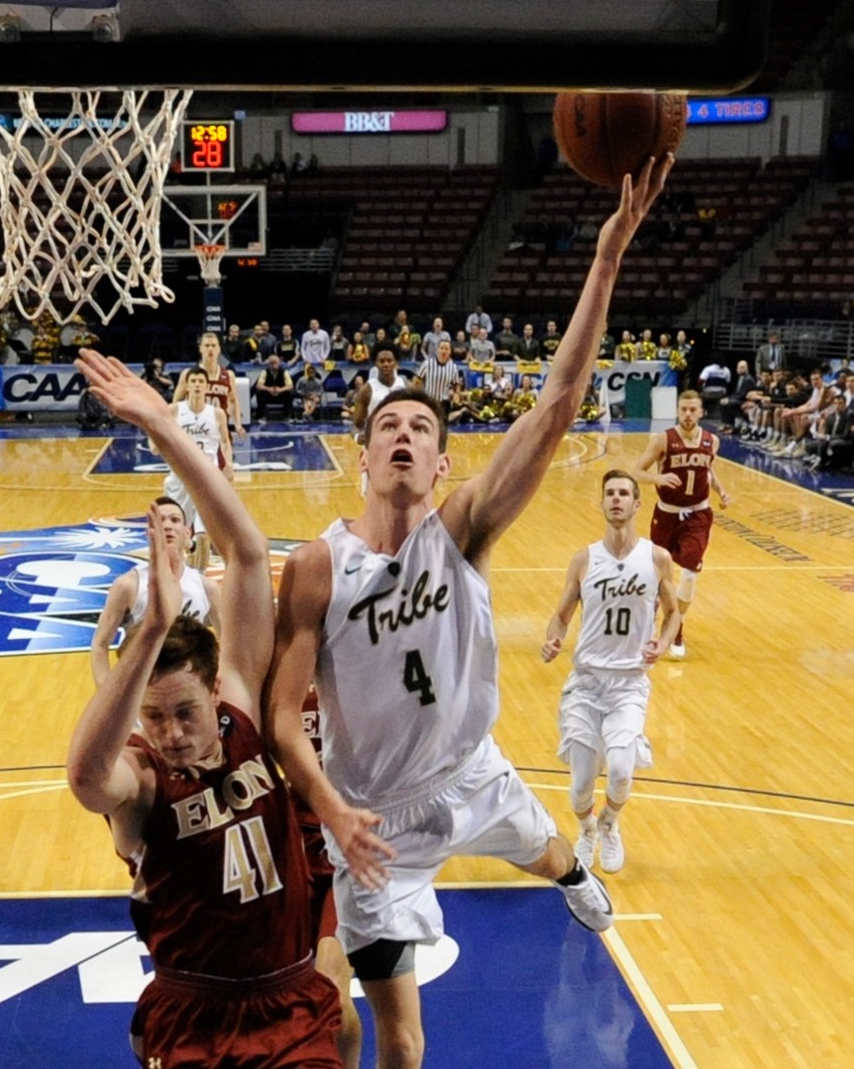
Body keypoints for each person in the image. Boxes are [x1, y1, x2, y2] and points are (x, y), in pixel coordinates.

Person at [264, 155, 669, 1069]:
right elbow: (284, 720)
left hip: (473, 772)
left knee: (551, 852)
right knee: (396, 1038)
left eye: (422, 431)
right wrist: (330, 810)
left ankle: (575, 876)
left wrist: (605, 260)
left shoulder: (463, 531)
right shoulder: (319, 568)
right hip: (372, 822)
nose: (403, 437)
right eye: (387, 429)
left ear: (444, 467)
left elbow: (559, 403)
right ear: (361, 460)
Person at [66, 352, 343, 1069]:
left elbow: (248, 555)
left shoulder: (240, 708)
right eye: (153, 718)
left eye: (183, 713)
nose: (170, 733)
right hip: (194, 1010)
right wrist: (148, 630)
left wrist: (163, 425)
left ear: (214, 687)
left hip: (288, 998)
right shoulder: (142, 775)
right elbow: (84, 779)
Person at [540, 471, 683, 874]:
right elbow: (561, 616)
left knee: (620, 770)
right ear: (601, 504)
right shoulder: (584, 560)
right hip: (586, 682)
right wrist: (553, 640)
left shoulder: (657, 558)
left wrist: (664, 640)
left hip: (628, 683)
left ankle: (608, 824)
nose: (616, 499)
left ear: (638, 505)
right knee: (581, 785)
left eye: (624, 493)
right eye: (610, 494)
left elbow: (673, 613)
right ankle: (587, 829)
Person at [630, 390, 729, 661]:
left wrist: (721, 492)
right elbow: (637, 471)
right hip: (667, 514)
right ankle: (651, 617)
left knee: (689, 573)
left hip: (698, 515)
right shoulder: (664, 439)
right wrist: (656, 479)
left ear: (701, 412)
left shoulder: (712, 441)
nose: (687, 414)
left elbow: (708, 470)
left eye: (692, 410)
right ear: (678, 411)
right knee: (659, 574)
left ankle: (676, 625)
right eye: (683, 409)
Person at [87, 496, 219, 686]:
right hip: (141, 690)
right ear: (150, 533)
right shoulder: (127, 586)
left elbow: (229, 646)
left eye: (174, 520)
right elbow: (100, 645)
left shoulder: (209, 589)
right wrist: (105, 694)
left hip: (190, 691)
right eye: (160, 521)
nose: (167, 526)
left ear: (187, 533)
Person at [164, 378, 232, 573]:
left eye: (201, 381)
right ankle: (173, 569)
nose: (197, 384)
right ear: (187, 385)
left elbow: (226, 441)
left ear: (206, 386)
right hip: (181, 475)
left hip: (207, 477)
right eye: (193, 381)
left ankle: (199, 577)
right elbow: (158, 429)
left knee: (204, 532)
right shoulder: (175, 410)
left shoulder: (216, 414)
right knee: (176, 526)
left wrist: (228, 464)